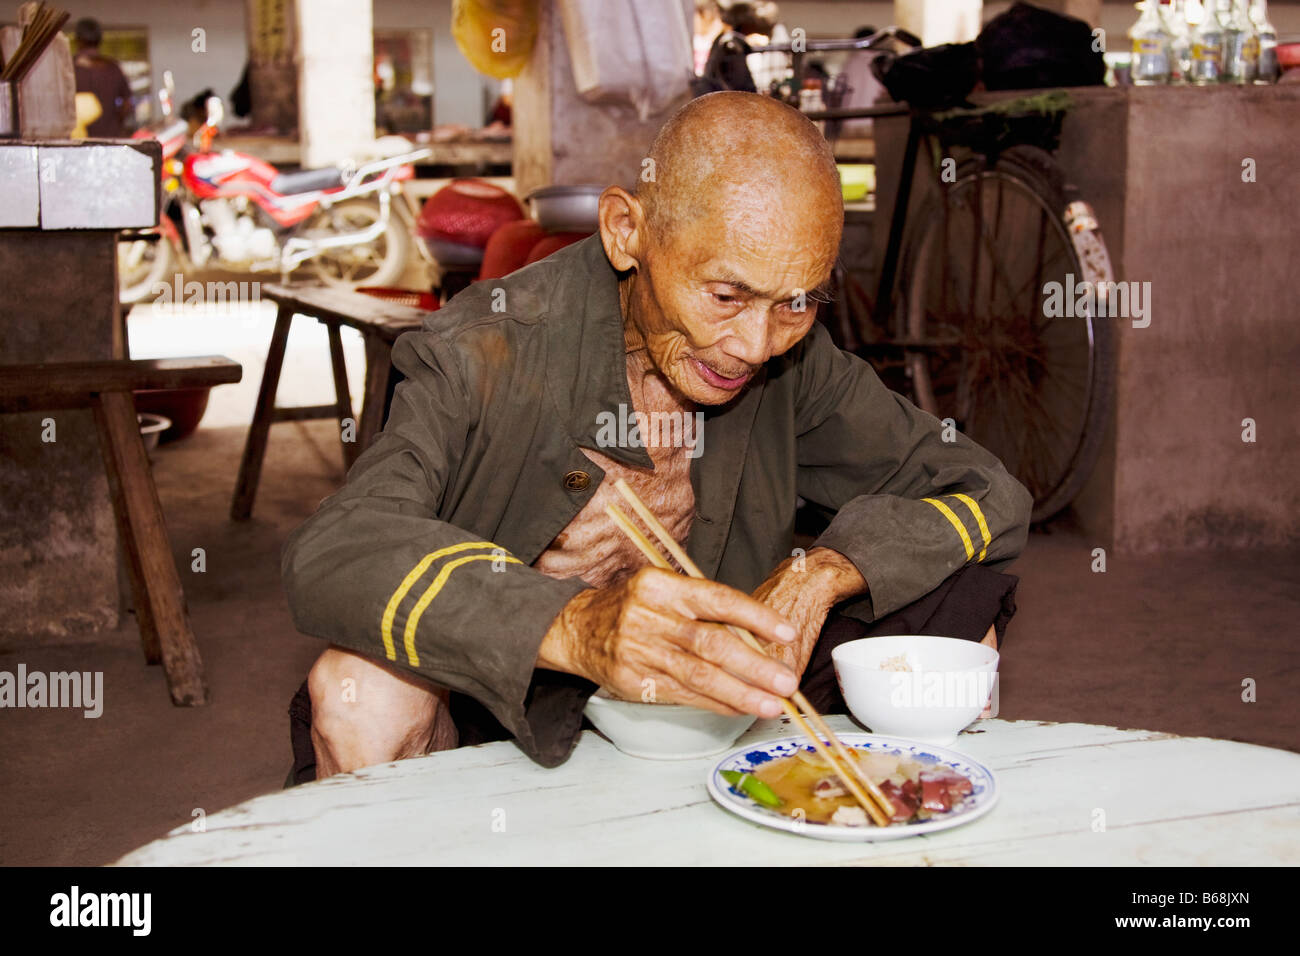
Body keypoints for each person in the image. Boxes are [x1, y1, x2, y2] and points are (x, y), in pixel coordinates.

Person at [282, 92, 1032, 782]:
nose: (754, 345)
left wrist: (824, 572)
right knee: (361, 689)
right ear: (626, 231)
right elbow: (339, 547)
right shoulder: (481, 352)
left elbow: (988, 490)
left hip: (709, 697)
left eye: (798, 302)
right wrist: (572, 626)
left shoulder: (792, 360)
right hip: (502, 705)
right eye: (726, 294)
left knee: (951, 611)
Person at [71, 18, 132, 138]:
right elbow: (127, 104)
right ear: (99, 40)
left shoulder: (70, 68)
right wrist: (115, 123)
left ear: (78, 40)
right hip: (110, 138)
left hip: (77, 139)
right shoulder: (112, 68)